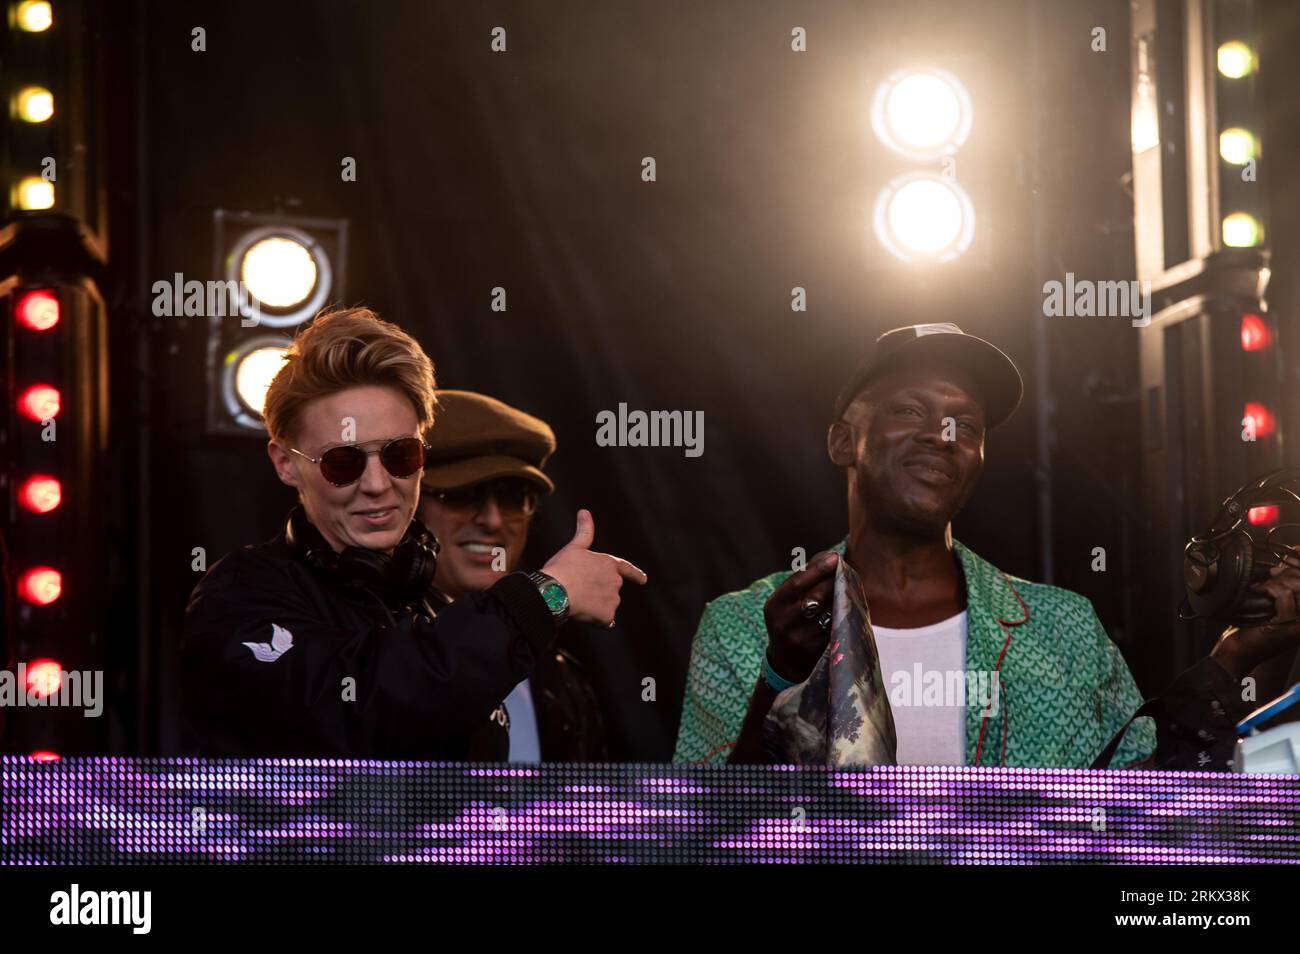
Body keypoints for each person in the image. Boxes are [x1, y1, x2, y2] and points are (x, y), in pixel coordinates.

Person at [674, 322, 1300, 769]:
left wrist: (1234, 660)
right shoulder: (739, 629)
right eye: (909, 411)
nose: (940, 435)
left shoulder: (1064, 627)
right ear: (844, 443)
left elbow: (1144, 805)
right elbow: (706, 835)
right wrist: (780, 674)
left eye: (964, 425)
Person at [180, 307, 646, 759]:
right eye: (344, 462)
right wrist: (546, 596)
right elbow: (363, 712)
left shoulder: (433, 607)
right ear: (286, 464)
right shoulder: (240, 595)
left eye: (401, 455)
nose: (379, 485)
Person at [416, 389, 607, 761]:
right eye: (462, 494)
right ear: (411, 502)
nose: (492, 520)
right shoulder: (375, 650)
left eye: (511, 496)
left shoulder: (560, 674)